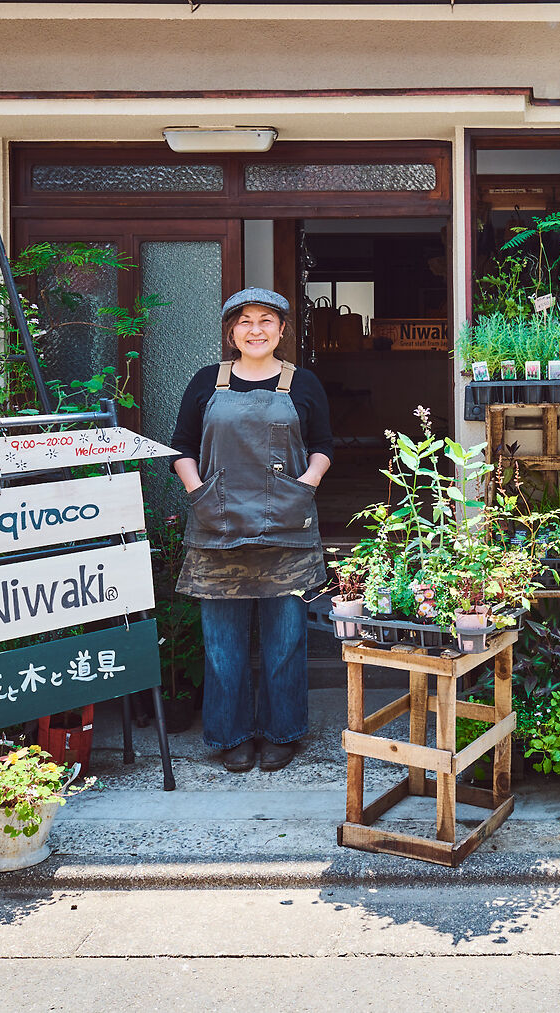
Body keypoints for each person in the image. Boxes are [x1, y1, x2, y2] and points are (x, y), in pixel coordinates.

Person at [169, 288, 333, 772]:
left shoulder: (302, 383)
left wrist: (308, 482)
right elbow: (181, 447)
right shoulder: (205, 382)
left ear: (282, 330)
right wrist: (198, 491)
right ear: (230, 332)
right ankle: (230, 734)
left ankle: (282, 733)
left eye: (266, 320)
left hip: (286, 527)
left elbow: (323, 443)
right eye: (244, 321)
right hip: (216, 526)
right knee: (223, 646)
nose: (255, 329)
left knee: (285, 640)